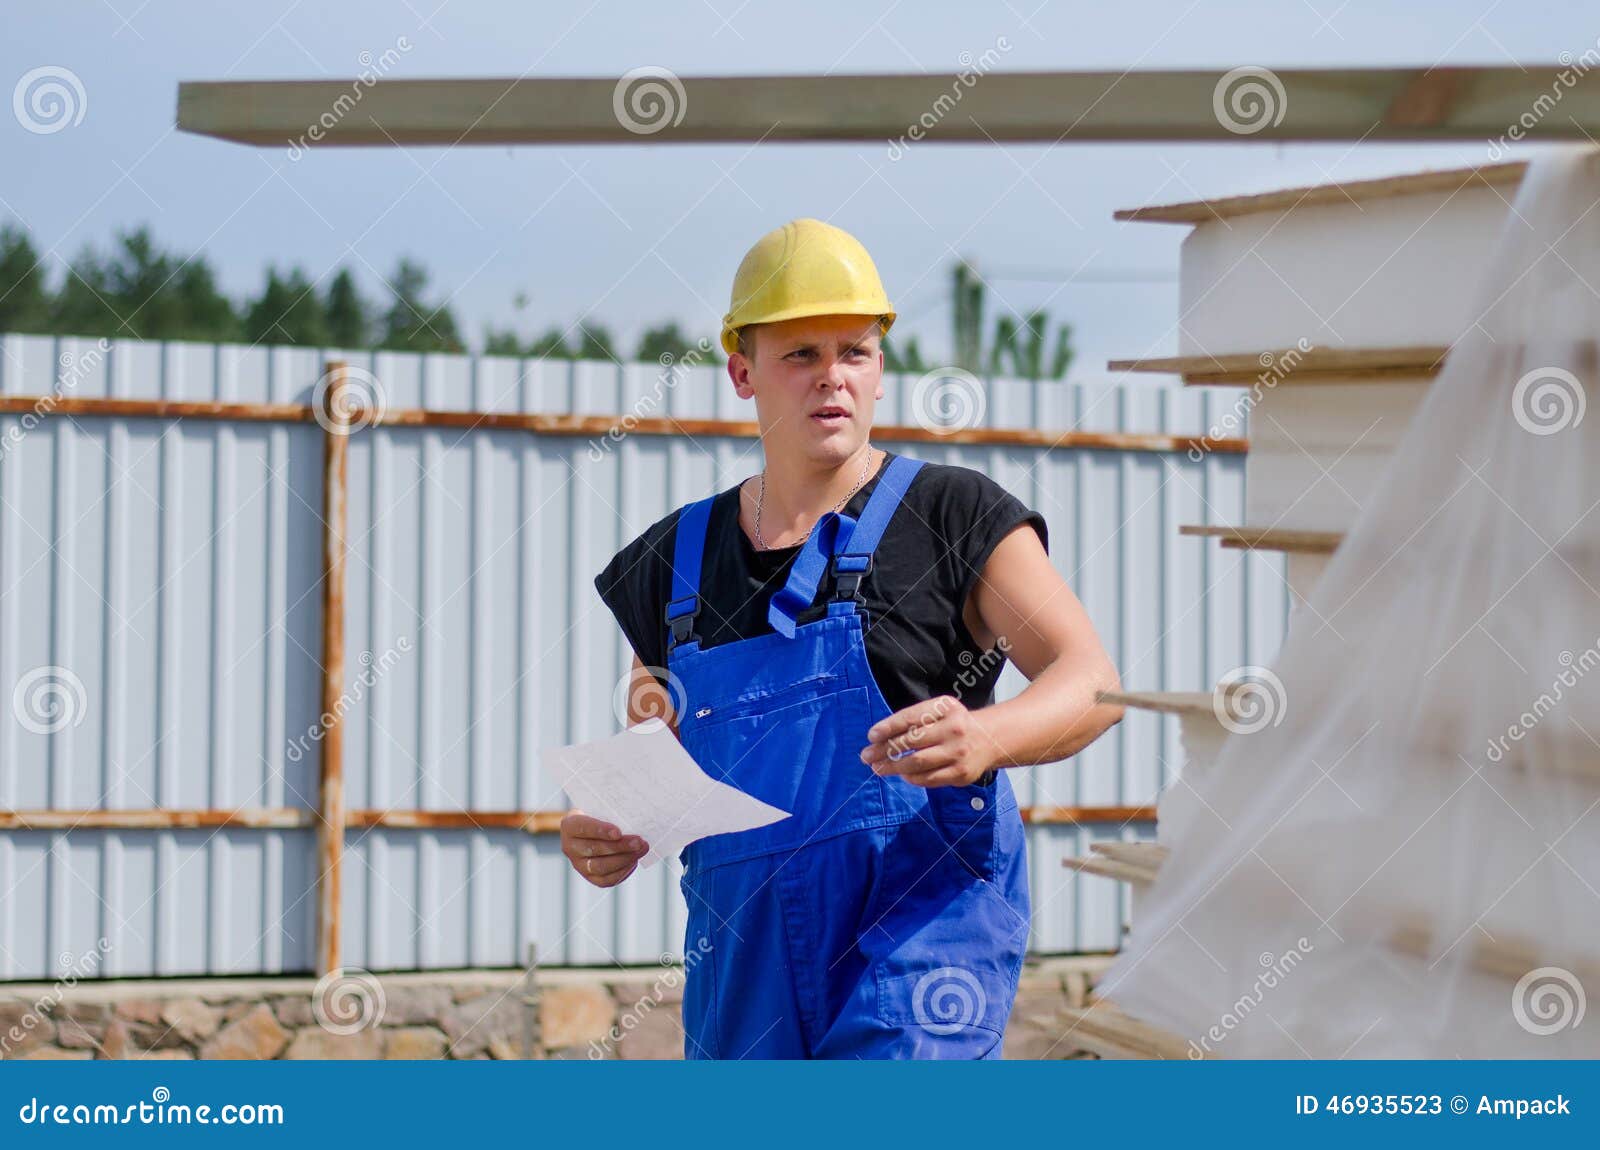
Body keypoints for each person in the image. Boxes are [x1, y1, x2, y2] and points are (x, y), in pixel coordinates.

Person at [569, 217, 1123, 1059]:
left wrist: (985, 736)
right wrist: (607, 828)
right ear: (742, 371)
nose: (832, 378)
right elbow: (658, 753)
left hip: (918, 935)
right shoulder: (670, 563)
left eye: (854, 352)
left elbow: (1090, 680)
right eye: (801, 355)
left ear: (880, 368)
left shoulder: (954, 515)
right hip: (742, 970)